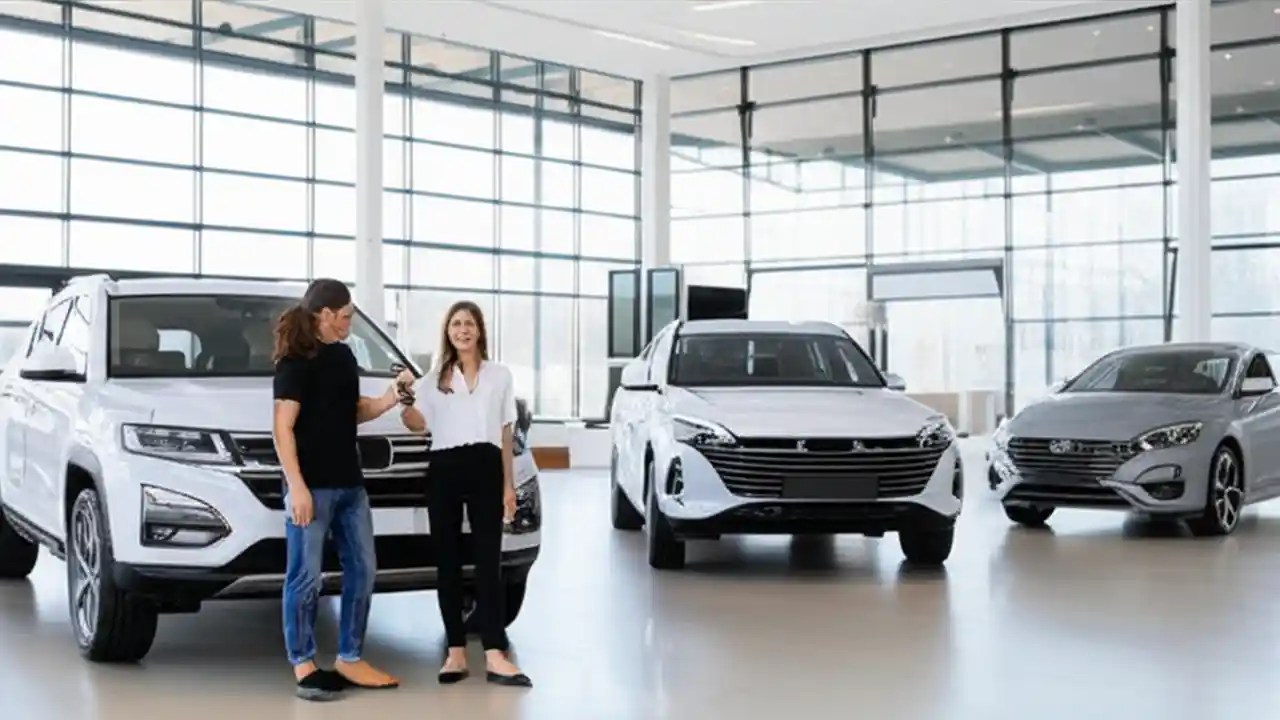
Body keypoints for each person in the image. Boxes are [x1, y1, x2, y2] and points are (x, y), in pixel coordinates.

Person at [271, 278, 405, 701]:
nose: (350, 322)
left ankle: (349, 656)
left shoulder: (344, 356)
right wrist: (297, 488)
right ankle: (303, 662)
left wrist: (388, 399)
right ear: (325, 315)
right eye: (345, 316)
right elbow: (282, 427)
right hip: (311, 487)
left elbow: (352, 410)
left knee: (364, 569)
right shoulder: (294, 362)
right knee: (304, 577)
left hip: (350, 485)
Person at [397, 300, 532, 688]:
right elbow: (417, 424)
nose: (462, 330)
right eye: (455, 323)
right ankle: (455, 651)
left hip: (487, 467)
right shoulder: (433, 379)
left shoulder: (500, 375)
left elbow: (506, 431)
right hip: (444, 469)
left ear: (479, 330)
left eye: (468, 323)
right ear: (448, 331)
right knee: (448, 561)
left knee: (489, 562)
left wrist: (509, 485)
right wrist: (405, 403)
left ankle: (494, 653)